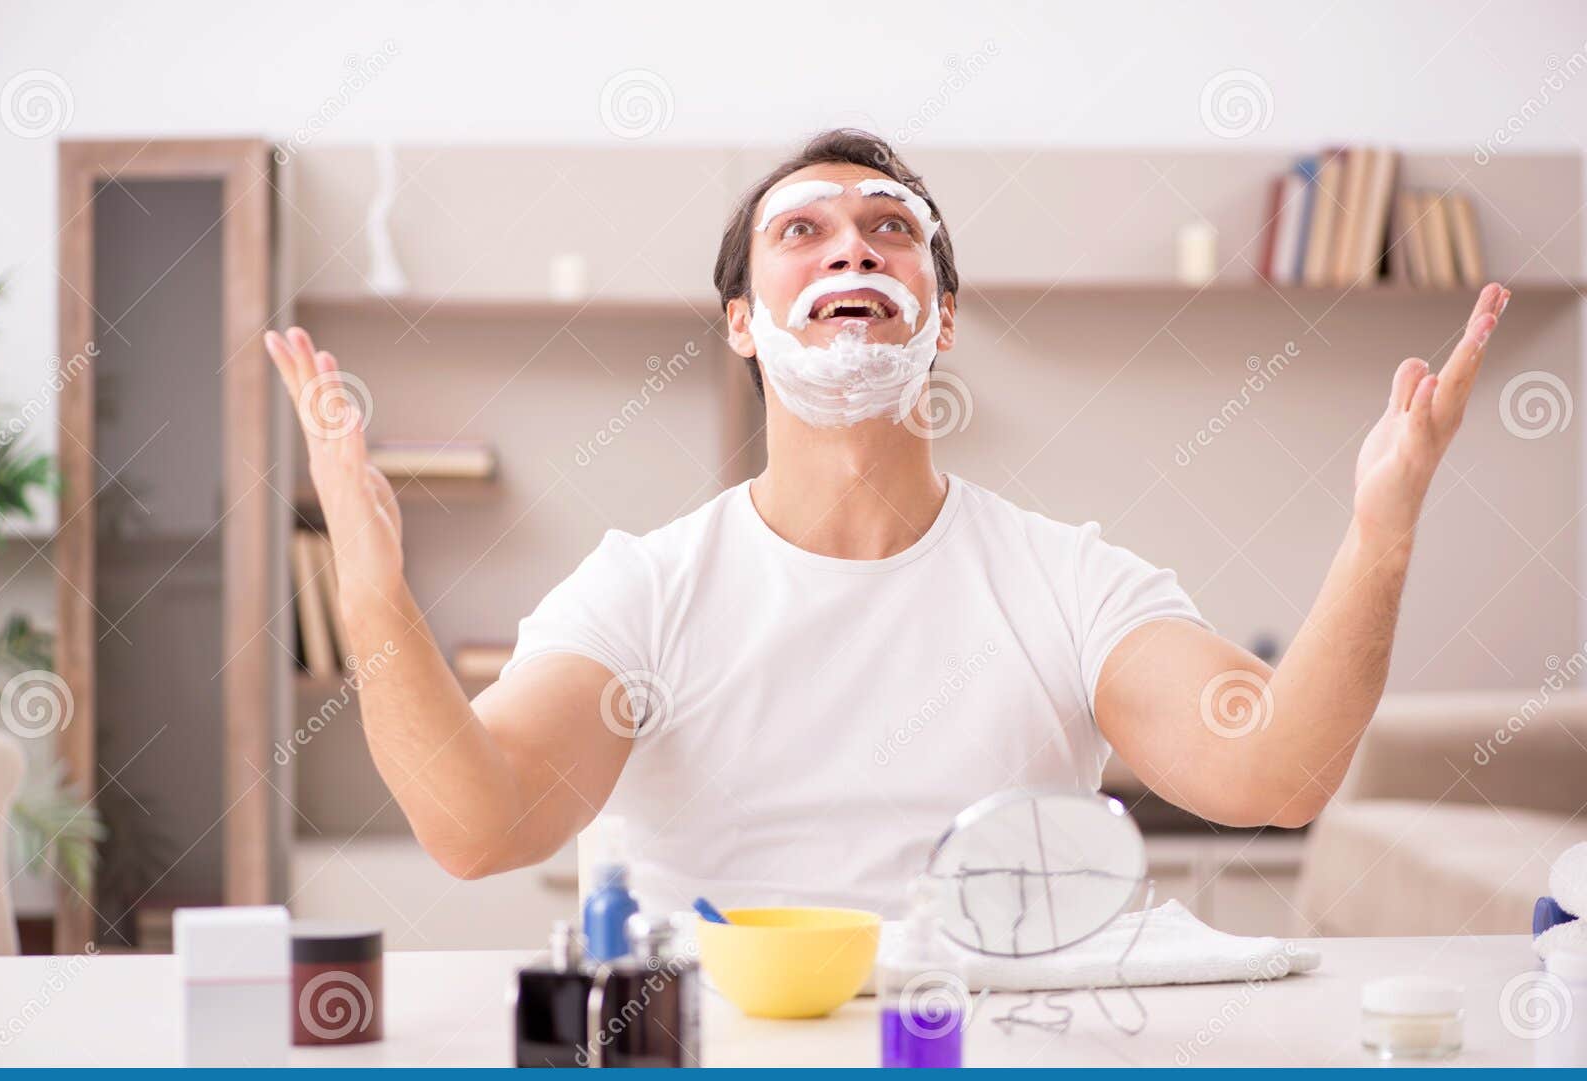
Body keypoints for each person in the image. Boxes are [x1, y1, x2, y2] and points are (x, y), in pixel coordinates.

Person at [262, 129, 1509, 916]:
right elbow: (478, 828)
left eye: (890, 230)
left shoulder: (1068, 582)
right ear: (743, 320)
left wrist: (1381, 530)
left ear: (941, 316)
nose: (849, 250)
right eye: (798, 233)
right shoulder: (640, 592)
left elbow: (1277, 772)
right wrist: (371, 585)